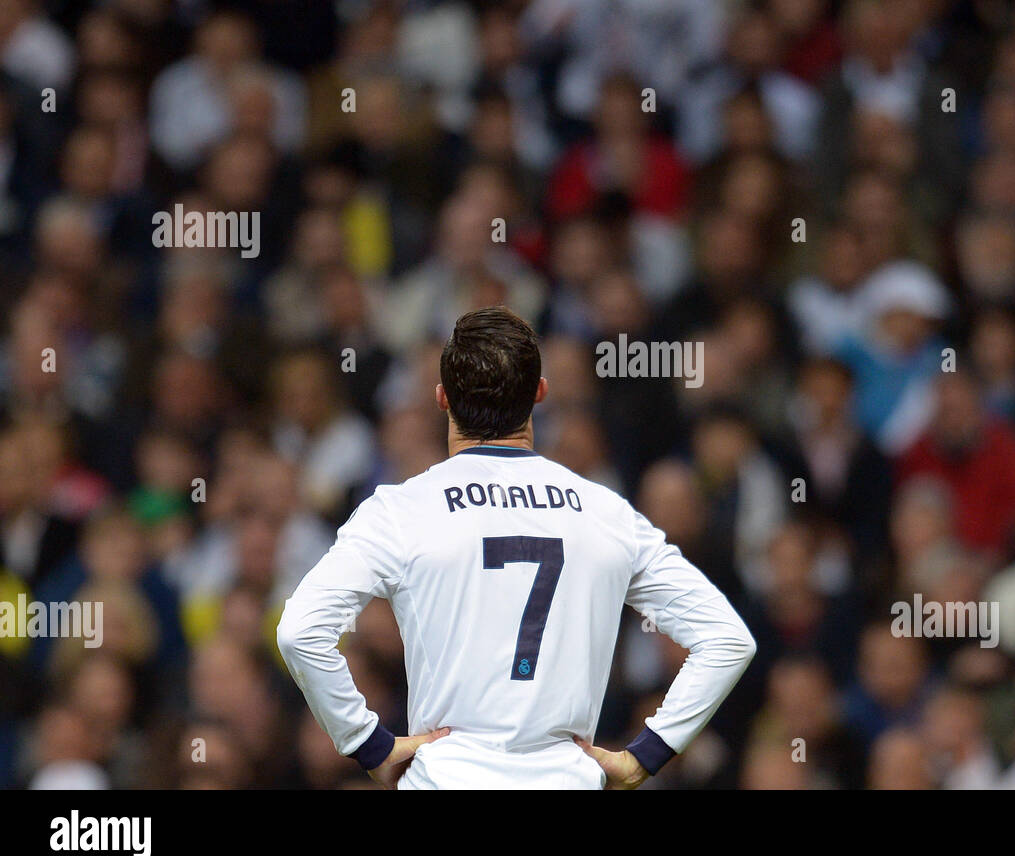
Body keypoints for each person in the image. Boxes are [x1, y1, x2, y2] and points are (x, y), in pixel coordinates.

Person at [277, 306, 756, 789]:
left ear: (442, 399)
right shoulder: (607, 513)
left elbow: (300, 633)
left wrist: (367, 743)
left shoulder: (401, 510)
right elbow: (728, 640)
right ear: (540, 394)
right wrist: (644, 755)